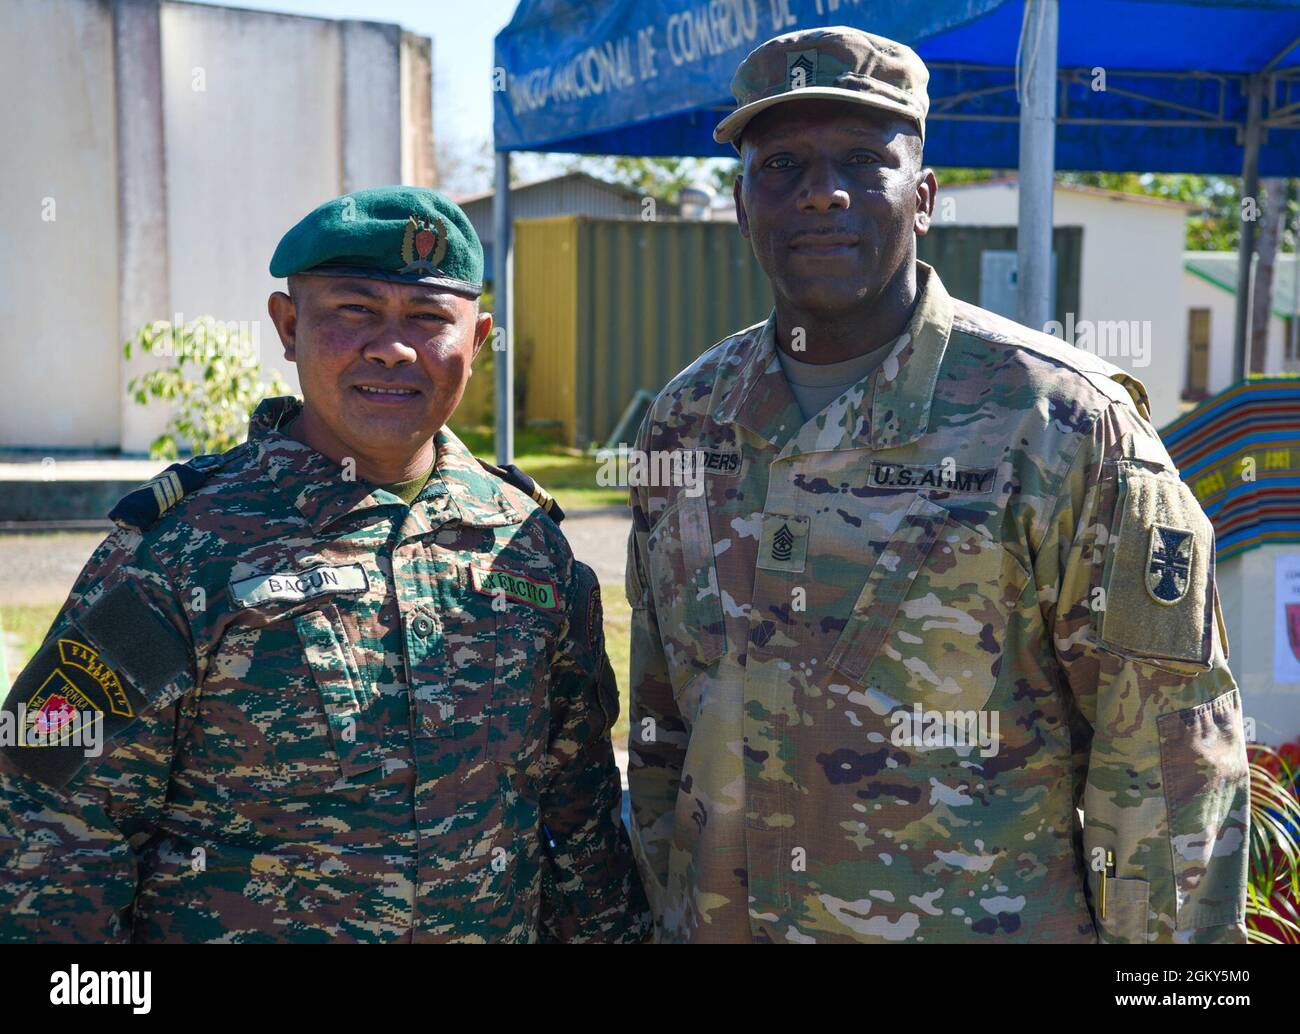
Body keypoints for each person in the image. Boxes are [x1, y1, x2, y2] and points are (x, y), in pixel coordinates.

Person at [625, 26, 1247, 943]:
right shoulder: (686, 422)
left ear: (924, 199)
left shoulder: (1061, 424)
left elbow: (1166, 763)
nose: (822, 192)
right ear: (740, 202)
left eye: (863, 162)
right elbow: (660, 732)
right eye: (782, 164)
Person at [0, 186, 649, 943]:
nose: (393, 347)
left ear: (477, 340)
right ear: (286, 325)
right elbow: (48, 815)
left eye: (429, 318)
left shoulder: (526, 545)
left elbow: (580, 814)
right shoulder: (177, 554)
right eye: (354, 310)